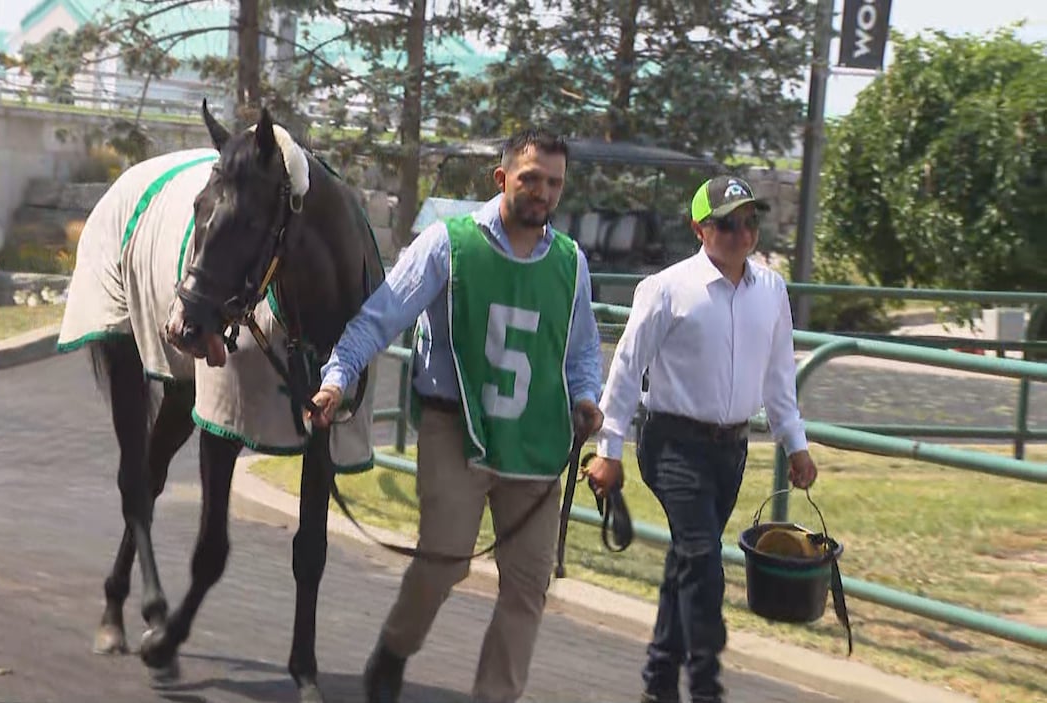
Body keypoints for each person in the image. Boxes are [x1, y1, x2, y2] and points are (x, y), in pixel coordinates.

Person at [307, 128, 605, 703]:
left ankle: (495, 696)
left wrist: (586, 396)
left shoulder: (571, 262)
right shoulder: (449, 244)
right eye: (531, 179)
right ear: (501, 179)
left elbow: (583, 349)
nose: (542, 192)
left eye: (554, 183)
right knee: (444, 563)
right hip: (455, 431)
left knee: (527, 586)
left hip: (536, 441)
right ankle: (395, 647)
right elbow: (380, 317)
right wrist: (336, 380)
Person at [583, 175, 819, 703]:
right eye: (727, 223)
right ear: (699, 229)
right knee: (704, 563)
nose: (741, 233)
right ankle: (706, 688)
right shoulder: (666, 289)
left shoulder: (772, 291)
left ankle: (658, 683)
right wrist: (608, 451)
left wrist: (795, 443)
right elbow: (625, 370)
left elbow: (779, 376)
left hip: (731, 450)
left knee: (688, 562)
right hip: (672, 444)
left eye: (750, 222)